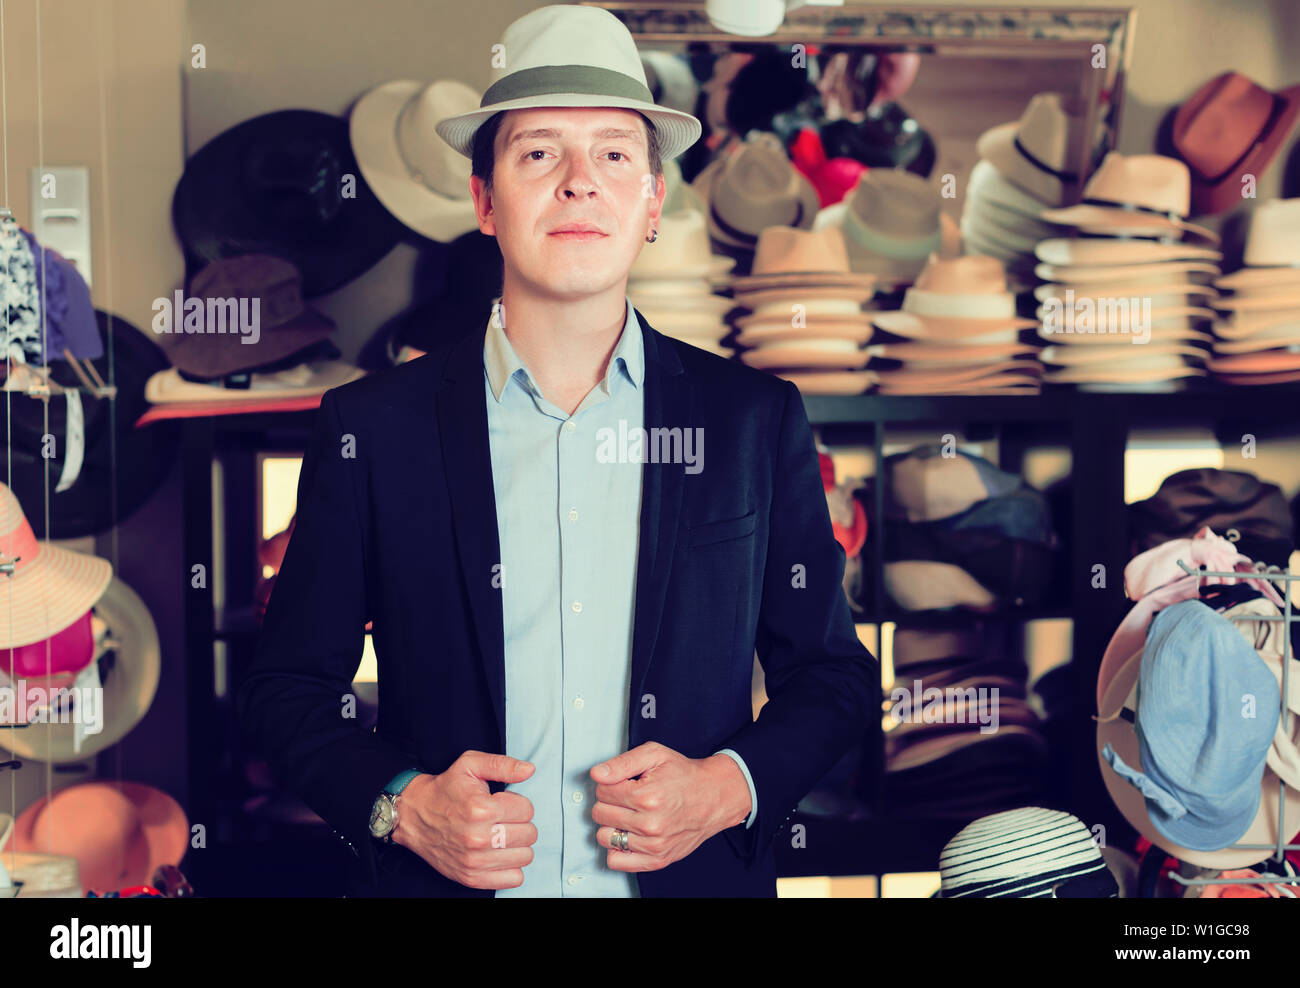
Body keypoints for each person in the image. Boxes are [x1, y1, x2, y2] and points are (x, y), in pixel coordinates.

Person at [237, 3, 877, 899]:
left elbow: (834, 679)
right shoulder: (371, 428)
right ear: (485, 201)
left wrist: (727, 786)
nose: (580, 182)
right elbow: (288, 687)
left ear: (653, 201)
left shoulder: (751, 421)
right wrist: (401, 804)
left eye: (616, 153)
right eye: (539, 151)